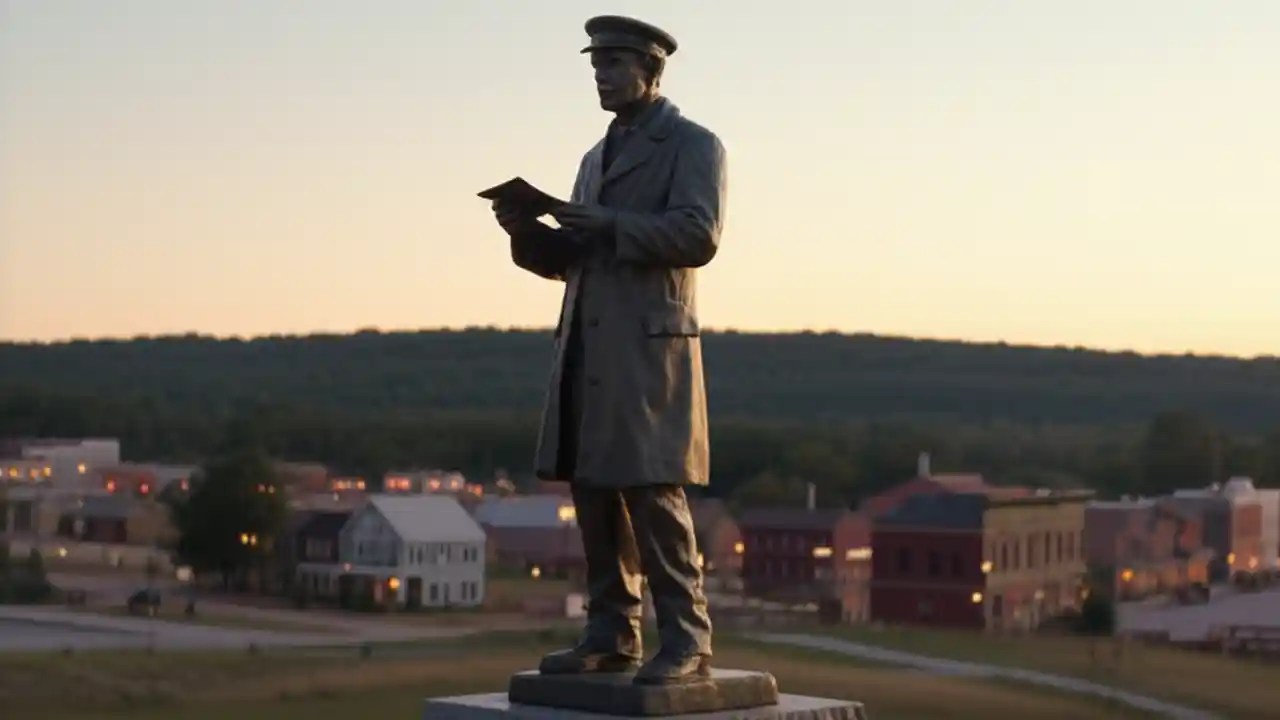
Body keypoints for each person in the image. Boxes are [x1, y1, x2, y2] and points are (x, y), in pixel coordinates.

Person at [490, 15, 728, 686]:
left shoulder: (693, 144)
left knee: (653, 492)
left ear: (650, 71)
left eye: (613, 64)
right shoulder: (595, 158)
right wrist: (525, 233)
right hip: (587, 349)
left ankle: (687, 638)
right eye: (595, 65)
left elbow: (698, 235)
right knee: (592, 488)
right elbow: (576, 257)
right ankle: (610, 631)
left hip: (649, 355)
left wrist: (609, 222)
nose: (601, 76)